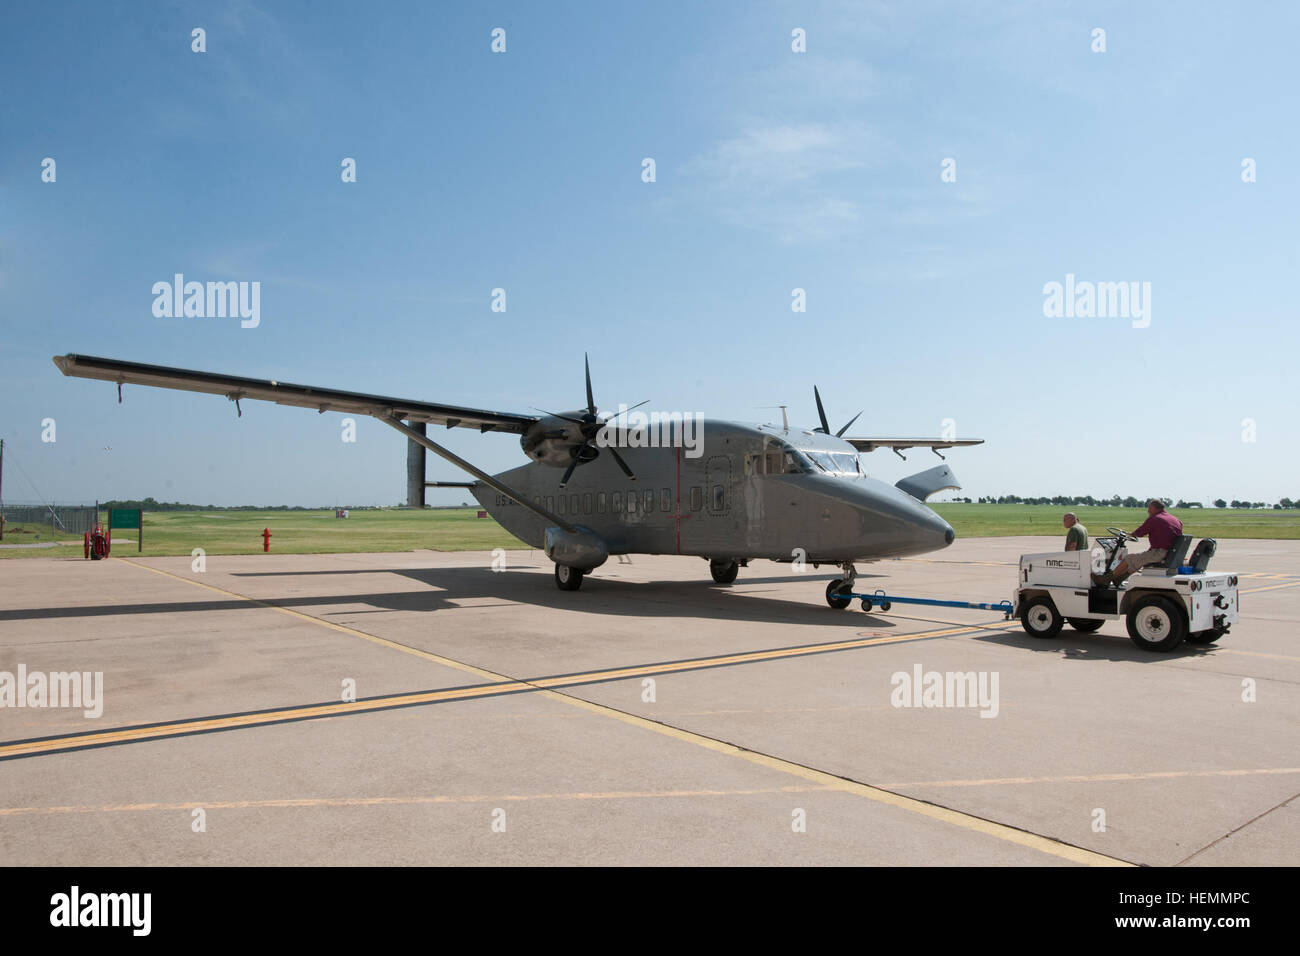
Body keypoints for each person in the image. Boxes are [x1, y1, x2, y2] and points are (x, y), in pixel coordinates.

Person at [1097, 499, 1182, 587]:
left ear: (1154, 508)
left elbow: (1139, 533)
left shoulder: (1155, 519)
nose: (1148, 511)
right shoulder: (1174, 519)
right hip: (1170, 553)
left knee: (1129, 558)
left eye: (1149, 508)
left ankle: (1106, 579)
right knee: (1139, 560)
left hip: (1160, 553)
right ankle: (1119, 579)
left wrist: (1129, 534)